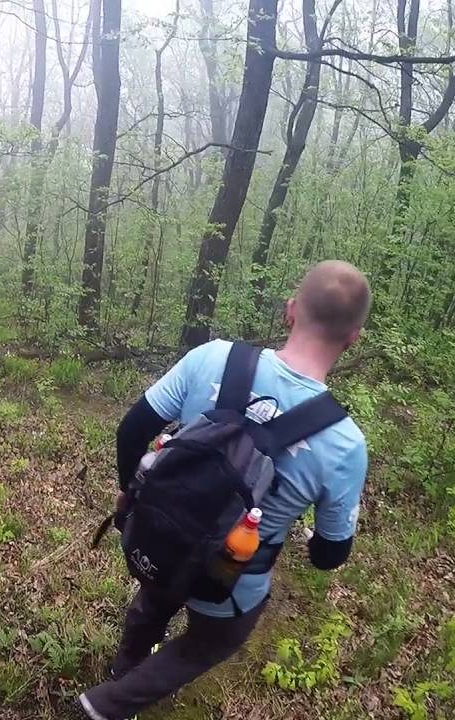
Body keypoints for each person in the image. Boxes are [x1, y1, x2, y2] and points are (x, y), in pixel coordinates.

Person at [79, 261, 371, 720]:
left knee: (157, 591)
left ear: (290, 311)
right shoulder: (344, 443)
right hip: (232, 578)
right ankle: (109, 704)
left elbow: (131, 431)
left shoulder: (213, 357)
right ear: (354, 336)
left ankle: (124, 667)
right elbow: (329, 557)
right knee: (208, 643)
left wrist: (129, 497)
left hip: (162, 533)